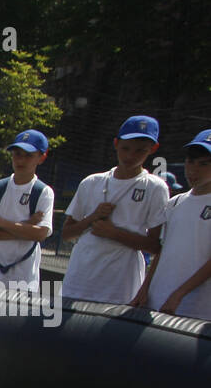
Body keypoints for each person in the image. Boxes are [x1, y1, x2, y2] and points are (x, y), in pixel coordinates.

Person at [61, 116, 167, 305]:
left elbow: (155, 246)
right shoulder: (92, 182)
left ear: (153, 149)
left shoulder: (155, 188)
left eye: (140, 151)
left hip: (120, 283)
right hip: (79, 277)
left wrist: (113, 233)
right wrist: (92, 218)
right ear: (116, 144)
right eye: (125, 148)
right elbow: (67, 234)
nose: (130, 156)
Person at [131, 129, 211, 318]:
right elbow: (162, 250)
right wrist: (145, 287)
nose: (193, 170)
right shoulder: (175, 202)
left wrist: (179, 294)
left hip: (193, 309)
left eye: (204, 164)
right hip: (156, 301)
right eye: (190, 161)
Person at [0, 129, 54, 289]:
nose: (21, 160)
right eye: (17, 154)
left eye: (29, 155)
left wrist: (1, 223)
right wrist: (26, 225)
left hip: (23, 278)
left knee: (16, 313)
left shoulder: (43, 192)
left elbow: (40, 233)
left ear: (42, 157)